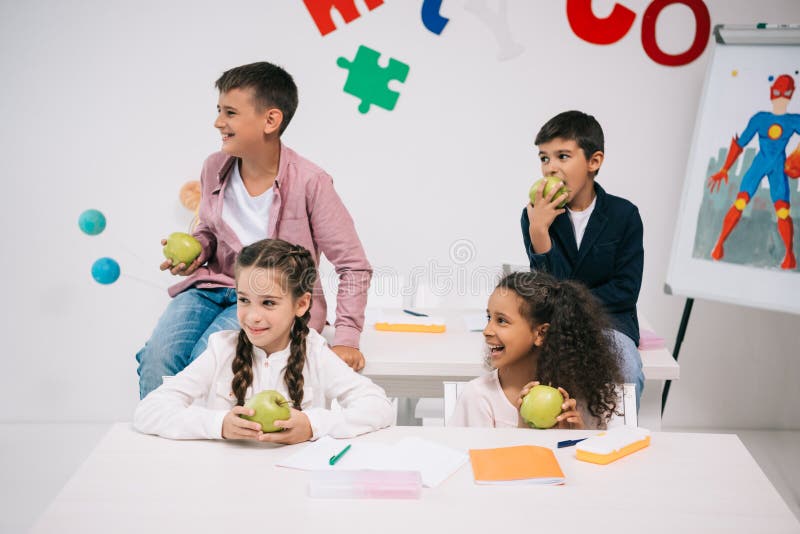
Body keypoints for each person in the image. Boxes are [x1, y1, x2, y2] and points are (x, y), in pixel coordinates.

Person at [136, 61, 372, 399]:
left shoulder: (311, 182)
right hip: (211, 288)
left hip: (266, 298)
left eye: (230, 112)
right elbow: (210, 231)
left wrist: (348, 337)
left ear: (270, 120)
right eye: (219, 111)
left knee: (209, 363)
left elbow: (354, 265)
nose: (218, 122)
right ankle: (161, 439)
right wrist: (198, 250)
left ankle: (204, 443)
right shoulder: (214, 167)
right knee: (157, 360)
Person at [134, 239, 393, 442]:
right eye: (244, 300)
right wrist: (219, 424)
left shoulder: (314, 352)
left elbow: (378, 406)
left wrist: (312, 426)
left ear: (301, 303)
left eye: (268, 302)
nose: (253, 316)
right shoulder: (221, 349)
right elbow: (149, 411)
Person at [520, 110, 644, 406]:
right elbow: (545, 290)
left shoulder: (624, 215)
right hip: (556, 324)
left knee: (625, 369)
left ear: (594, 161)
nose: (550, 168)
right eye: (544, 158)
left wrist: (571, 302)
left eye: (563, 156)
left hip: (611, 322)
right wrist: (540, 233)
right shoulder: (534, 216)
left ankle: (619, 441)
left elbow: (625, 290)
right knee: (535, 373)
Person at [449, 271, 622, 429]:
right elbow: (472, 461)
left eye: (501, 320)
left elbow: (596, 459)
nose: (487, 330)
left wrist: (578, 436)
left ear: (541, 333)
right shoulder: (478, 397)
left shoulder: (580, 399)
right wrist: (523, 432)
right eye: (489, 317)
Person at [707, 74, 800, 269]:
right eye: (778, 92)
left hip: (777, 166)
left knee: (782, 211)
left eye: (785, 93)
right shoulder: (760, 118)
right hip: (761, 162)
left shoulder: (793, 120)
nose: (781, 97)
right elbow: (740, 143)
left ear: (791, 95)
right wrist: (725, 168)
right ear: (771, 93)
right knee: (740, 202)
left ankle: (789, 256)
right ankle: (719, 245)